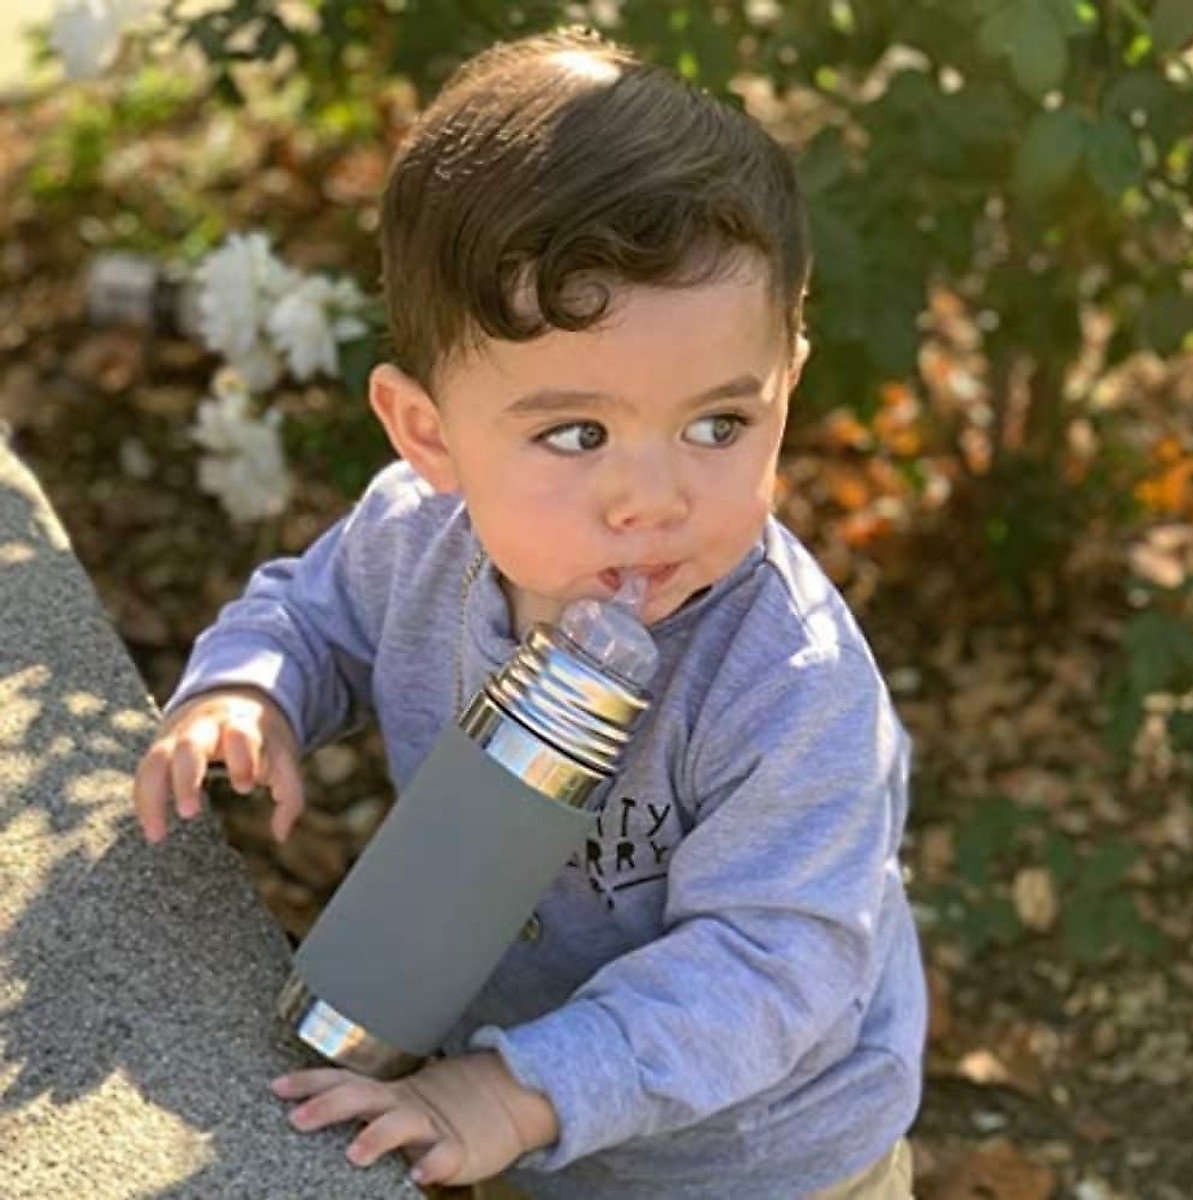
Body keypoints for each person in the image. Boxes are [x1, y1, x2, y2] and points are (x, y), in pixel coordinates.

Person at [133, 27, 924, 1200]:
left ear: (787, 383)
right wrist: (250, 691)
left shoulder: (788, 684)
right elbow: (312, 615)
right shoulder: (418, 539)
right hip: (509, 1105)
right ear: (429, 434)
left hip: (757, 1165)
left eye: (720, 424)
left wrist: (513, 1091)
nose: (652, 499)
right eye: (577, 433)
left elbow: (774, 964)